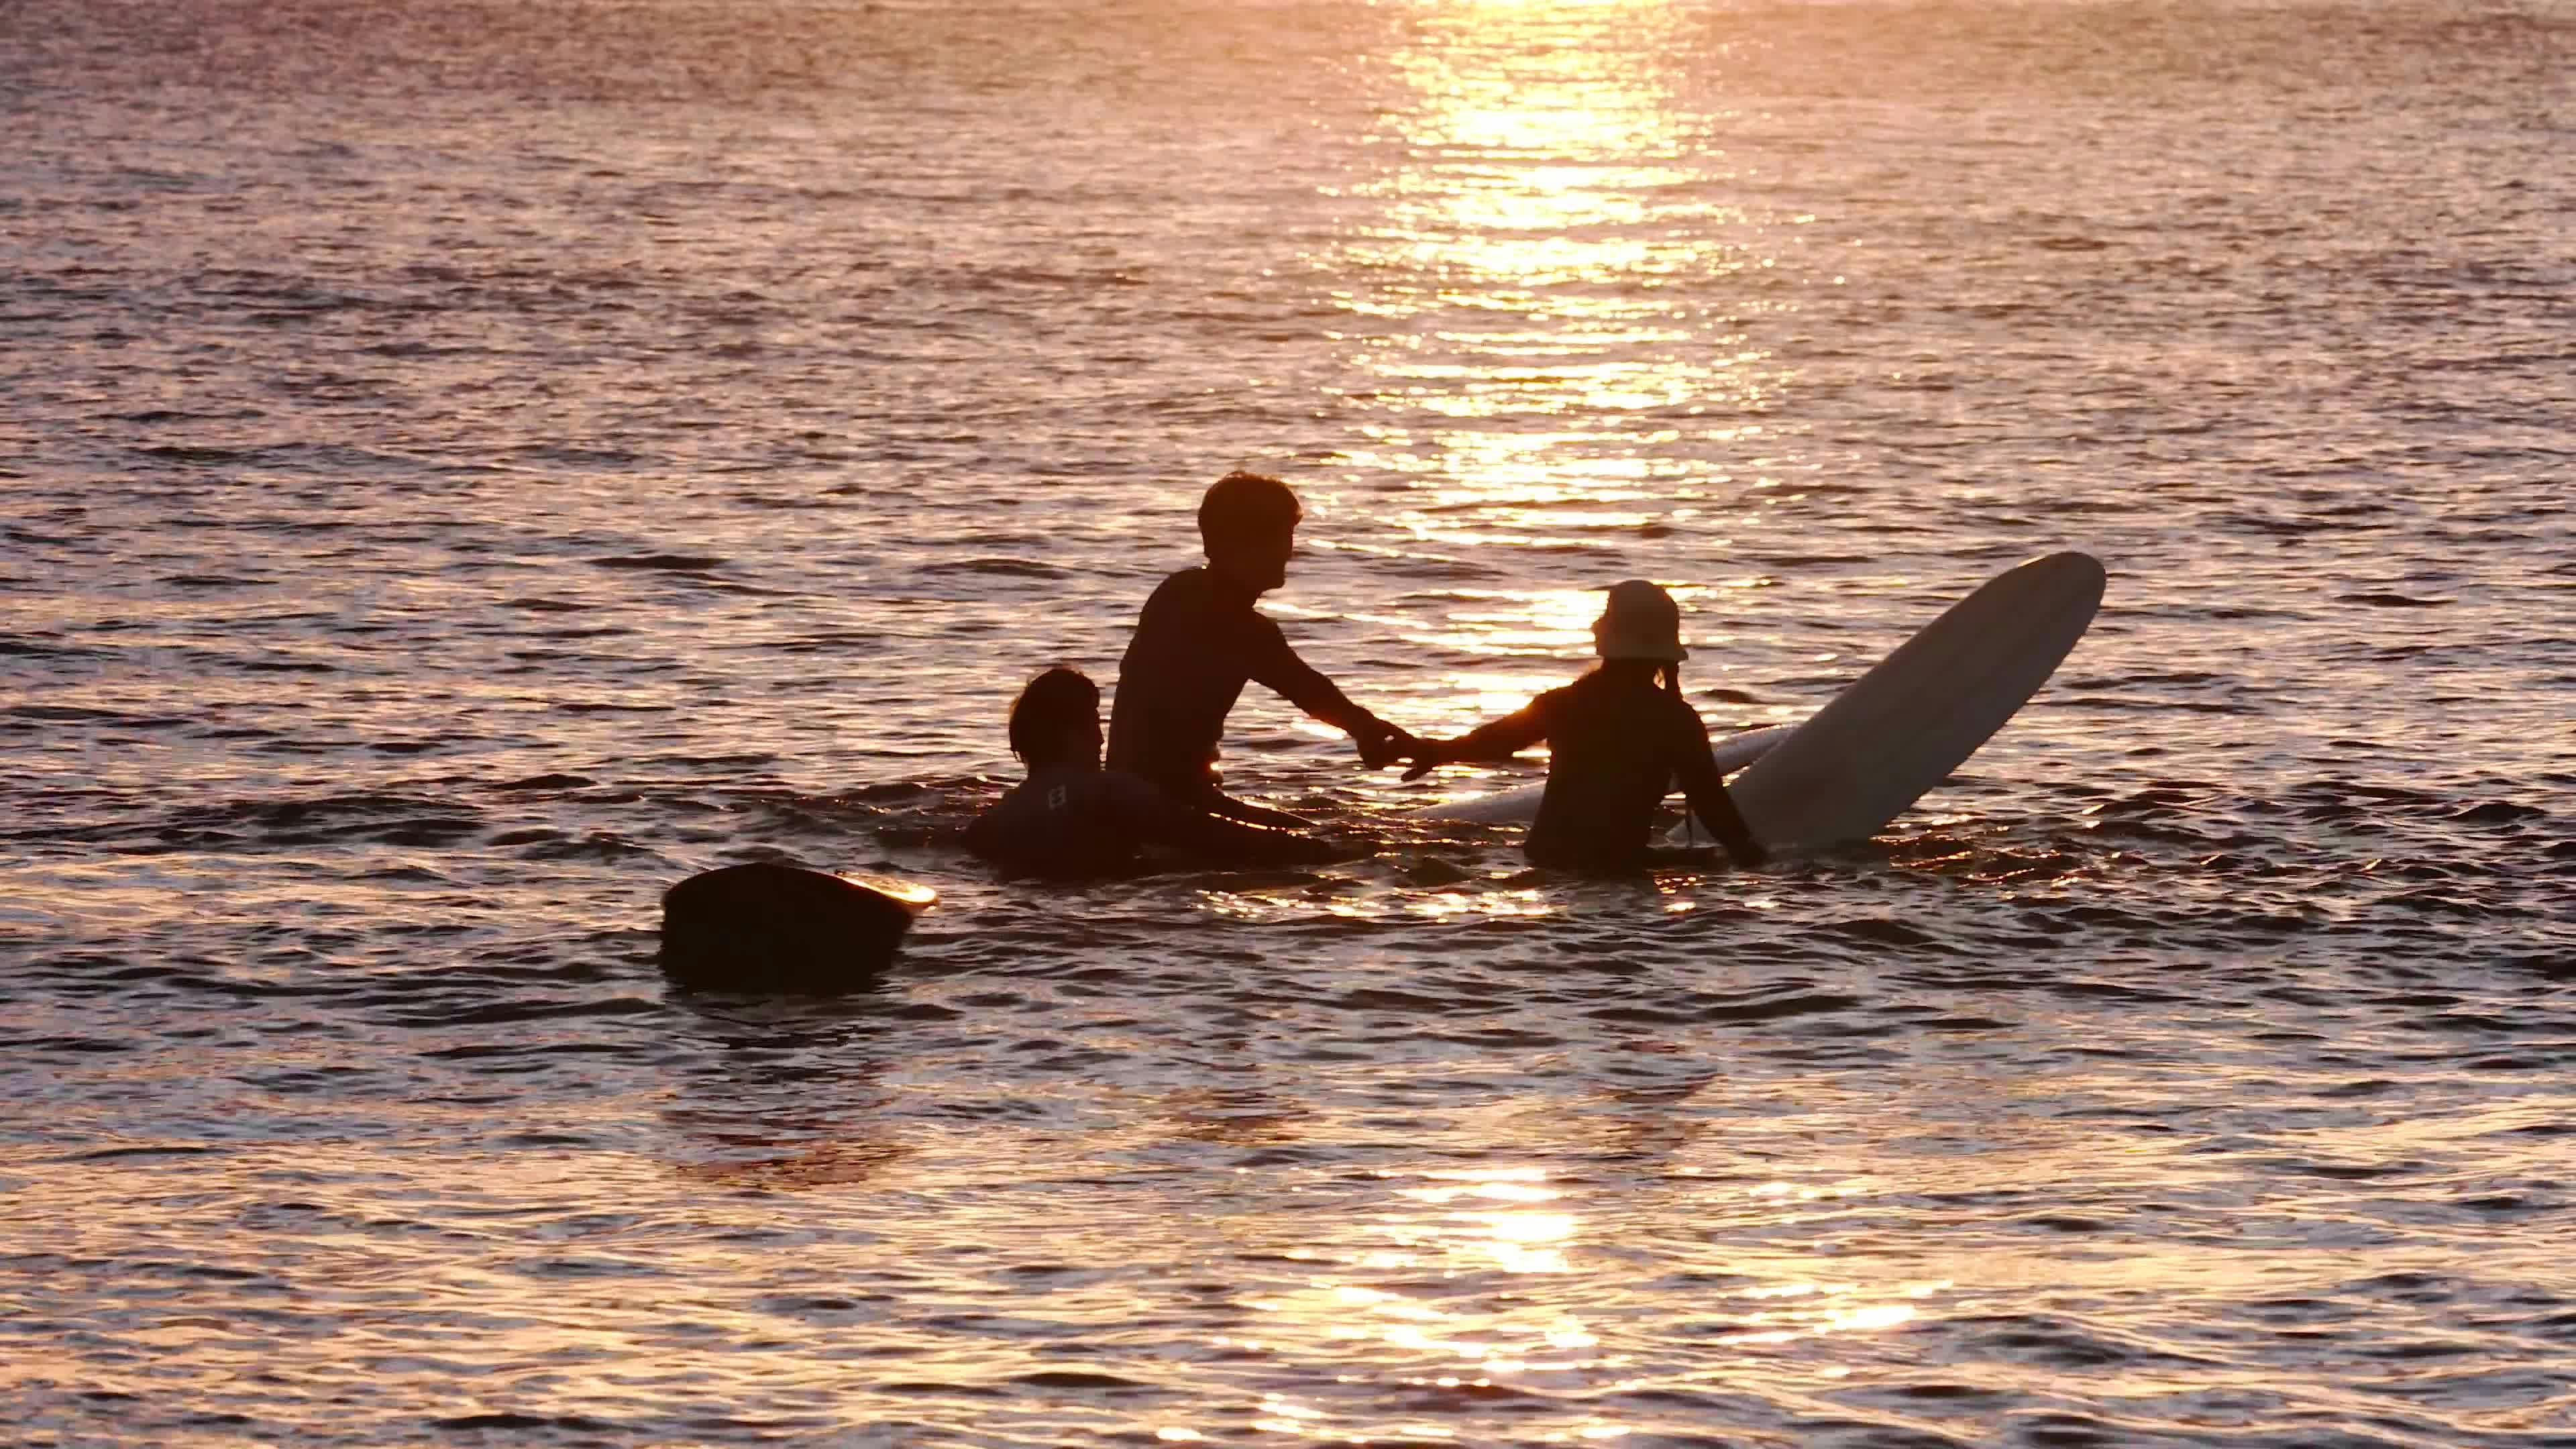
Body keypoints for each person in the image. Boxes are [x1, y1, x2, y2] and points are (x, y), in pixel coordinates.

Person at [1106, 471, 1424, 828]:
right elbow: (1308, 689)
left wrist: (1368, 729)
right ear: (1242, 543)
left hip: (1132, 793)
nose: (1289, 550)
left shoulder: (1176, 593)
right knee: (1339, 846)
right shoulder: (1234, 623)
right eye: (1281, 536)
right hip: (1169, 804)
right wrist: (1370, 731)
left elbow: (1309, 689)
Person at [1401, 580, 1768, 872]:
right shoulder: (1675, 719)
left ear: (1605, 638)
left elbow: (1492, 742)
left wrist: (1435, 752)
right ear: (1666, 649)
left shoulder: (1563, 704)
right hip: (1617, 868)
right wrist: (1756, 859)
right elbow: (1712, 807)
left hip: (1546, 860)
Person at [965, 666, 1349, 875]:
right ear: (1072, 735)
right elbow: (1204, 833)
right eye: (1095, 723)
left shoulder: (992, 823)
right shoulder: (1108, 792)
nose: (1102, 740)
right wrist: (1324, 851)